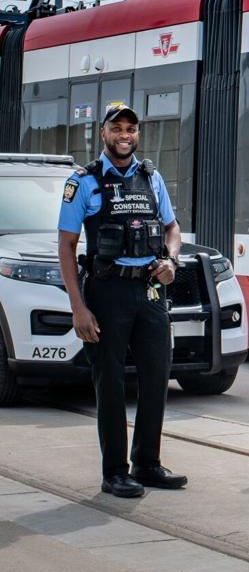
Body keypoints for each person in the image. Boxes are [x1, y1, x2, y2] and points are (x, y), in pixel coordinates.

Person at [57, 103, 187, 498]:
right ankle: (114, 471)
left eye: (131, 128)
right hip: (107, 292)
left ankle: (147, 464)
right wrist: (78, 307)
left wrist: (171, 260)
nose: (125, 135)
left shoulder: (151, 177)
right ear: (103, 133)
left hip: (149, 290)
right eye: (118, 128)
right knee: (110, 383)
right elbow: (66, 246)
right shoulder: (84, 182)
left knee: (155, 376)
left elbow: (172, 228)